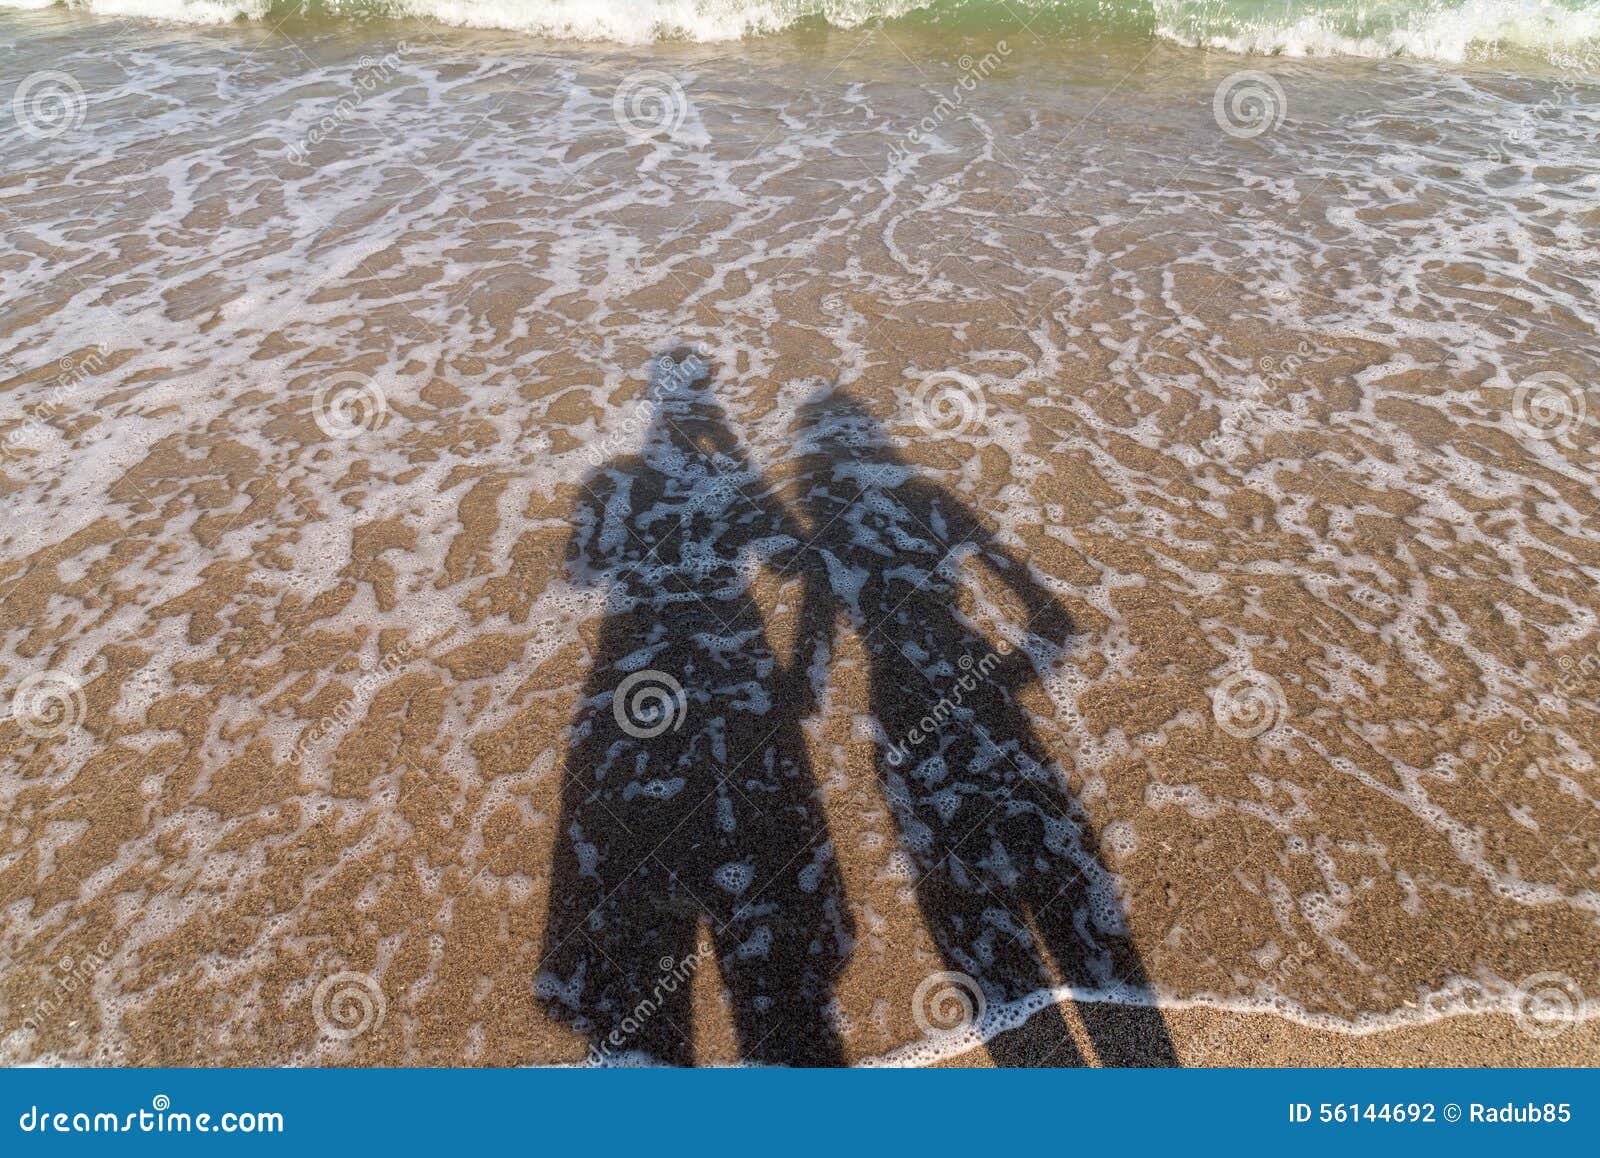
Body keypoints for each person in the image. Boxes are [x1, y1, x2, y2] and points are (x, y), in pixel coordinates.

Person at [788, 384, 1176, 1066]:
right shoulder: (934, 501)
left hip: (901, 706)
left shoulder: (826, 536)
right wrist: (996, 683)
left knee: (962, 892)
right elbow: (1049, 619)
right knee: (1061, 870)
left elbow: (807, 675)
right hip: (986, 696)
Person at [537, 348, 850, 1066]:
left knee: (635, 863)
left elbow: (581, 574)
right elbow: (808, 570)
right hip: (738, 685)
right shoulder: (728, 480)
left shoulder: (611, 481)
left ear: (648, 400)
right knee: (767, 912)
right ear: (709, 402)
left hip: (632, 683)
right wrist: (805, 675)